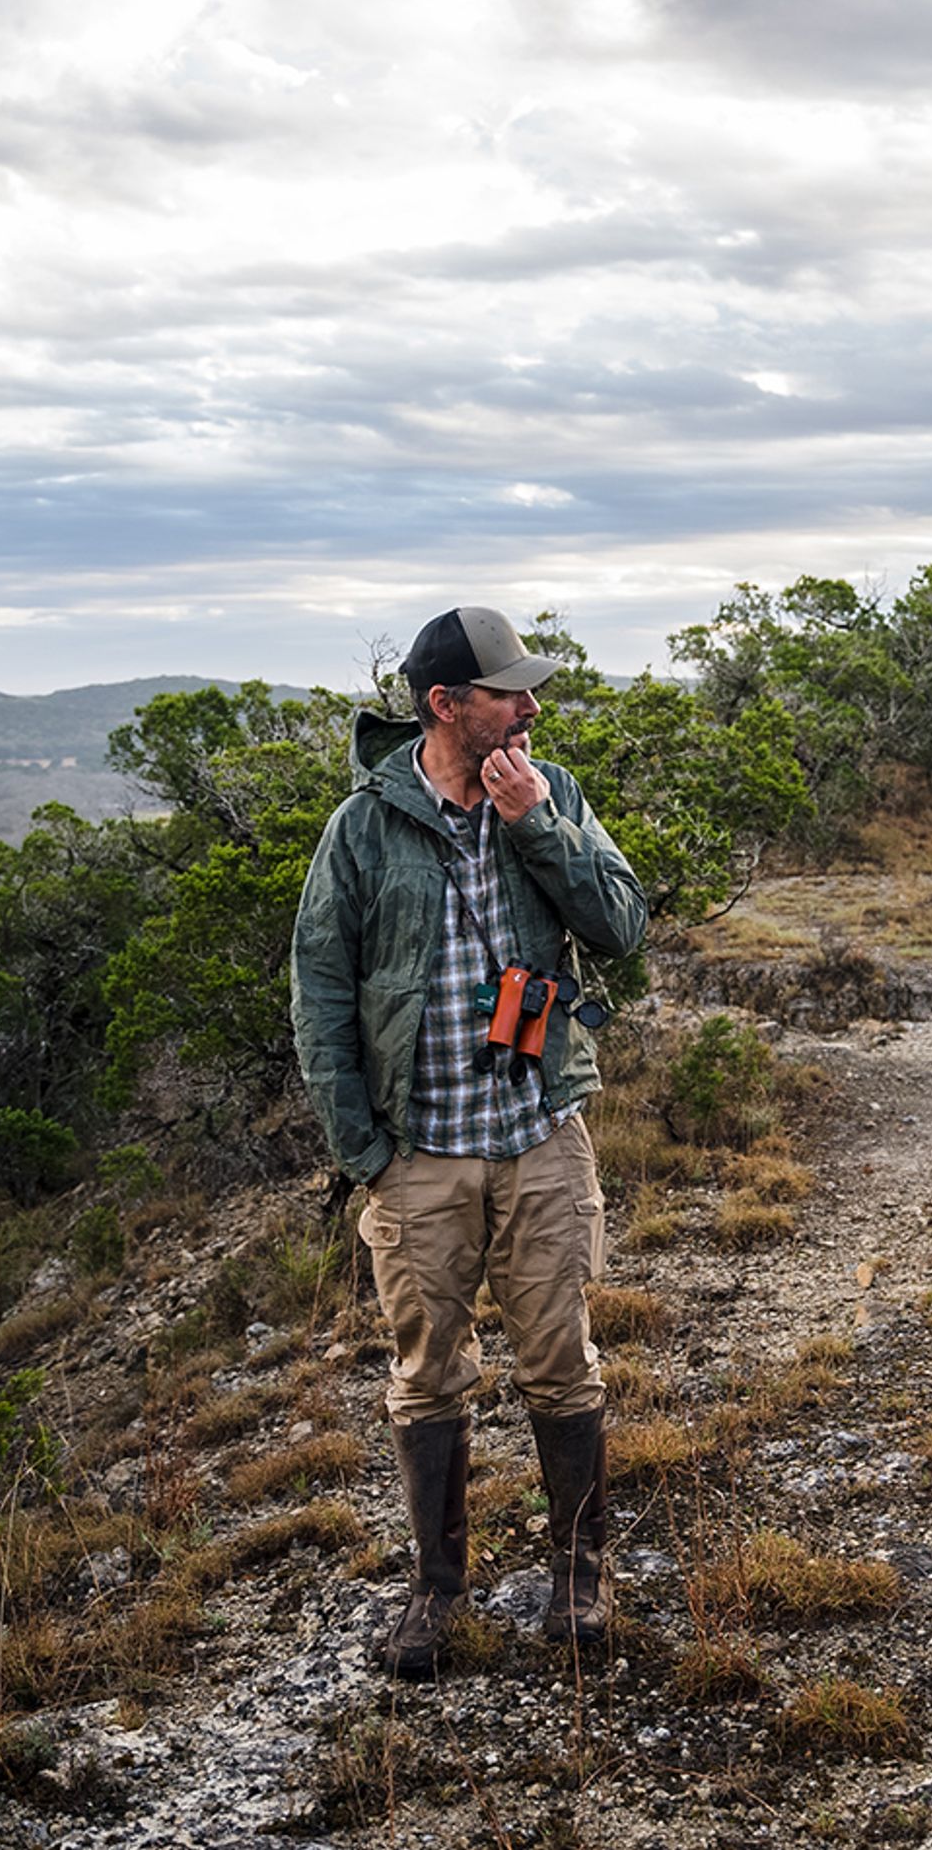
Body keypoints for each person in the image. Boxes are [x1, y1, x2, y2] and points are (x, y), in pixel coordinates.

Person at [291, 605, 648, 1675]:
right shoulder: (362, 826)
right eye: (508, 691)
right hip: (421, 1155)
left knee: (559, 1359)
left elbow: (622, 926)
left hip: (538, 1132)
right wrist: (368, 1152)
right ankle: (437, 1591)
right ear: (448, 705)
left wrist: (541, 822)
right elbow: (318, 991)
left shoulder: (550, 788)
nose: (531, 706)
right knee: (427, 1374)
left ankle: (579, 1574)